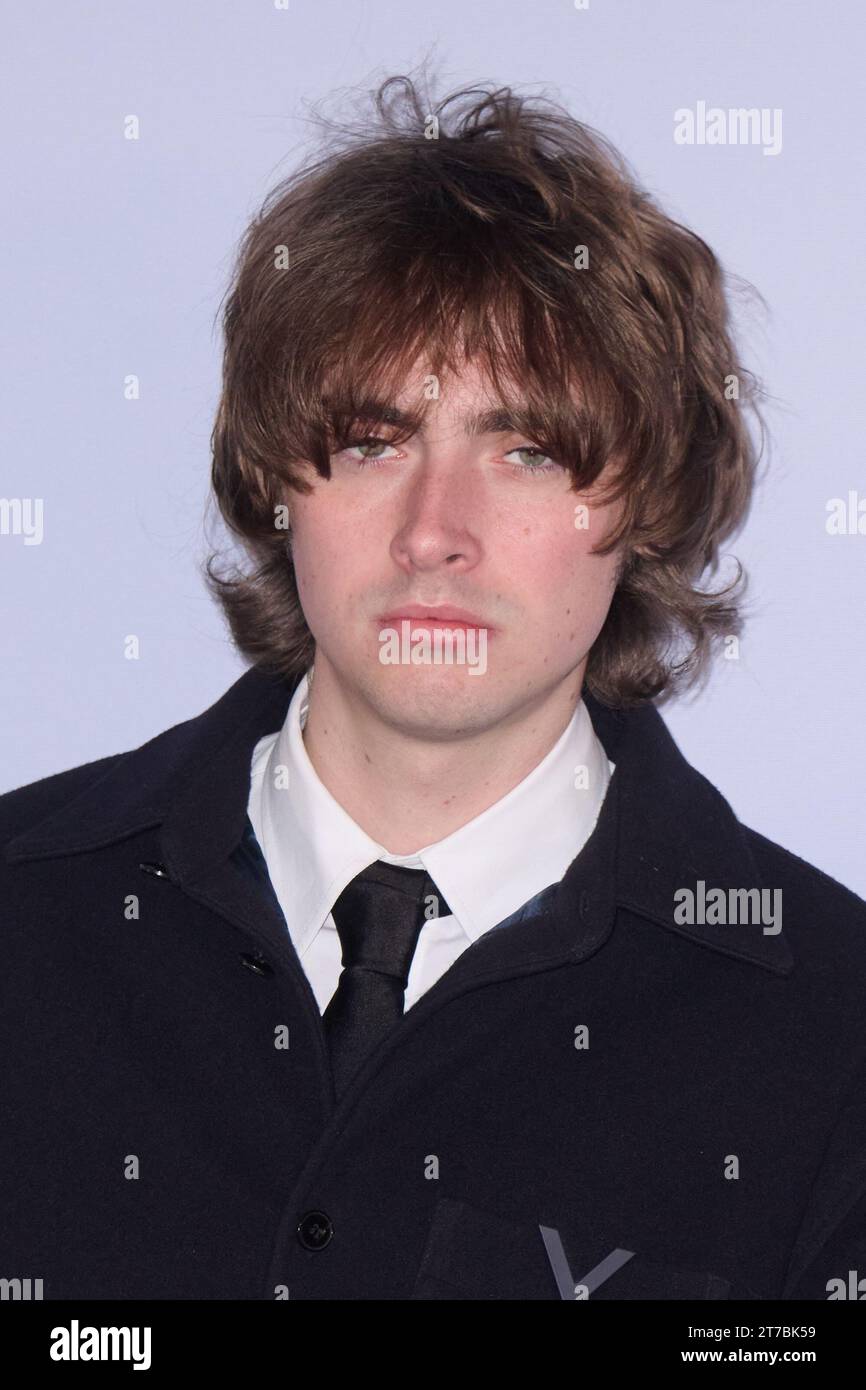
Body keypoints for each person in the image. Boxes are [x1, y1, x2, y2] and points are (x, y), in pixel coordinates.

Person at [2, 75, 864, 1302]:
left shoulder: (830, 1034)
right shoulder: (23, 917)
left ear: (646, 505)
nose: (432, 533)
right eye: (371, 442)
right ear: (274, 484)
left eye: (524, 450)